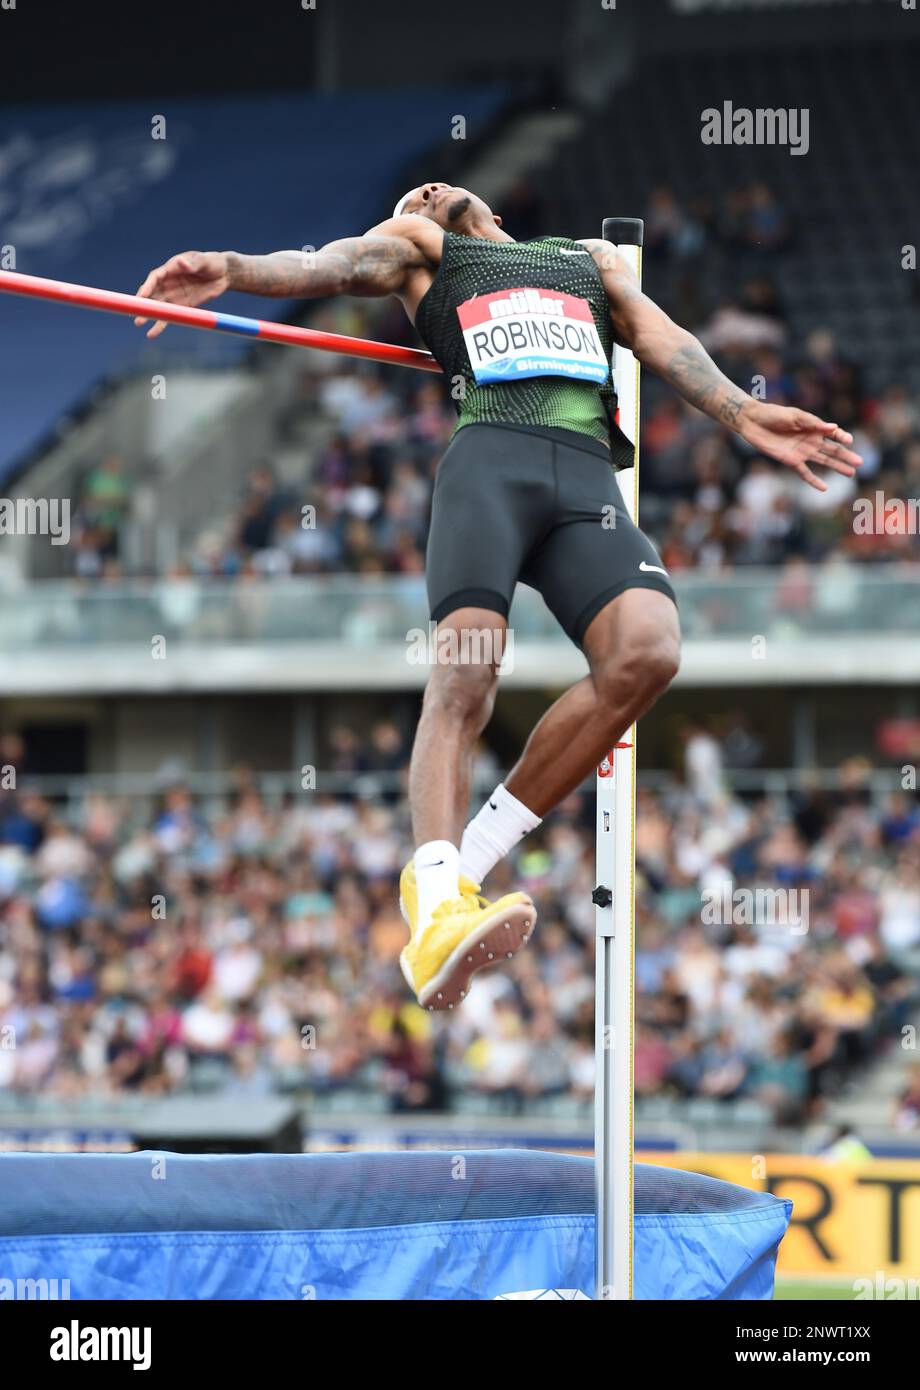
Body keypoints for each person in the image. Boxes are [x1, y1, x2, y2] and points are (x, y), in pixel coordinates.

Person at [134, 182, 862, 1011]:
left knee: (648, 652)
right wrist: (230, 266)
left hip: (587, 480)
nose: (433, 190)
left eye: (442, 187)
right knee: (467, 675)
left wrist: (743, 414)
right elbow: (327, 266)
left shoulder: (585, 261)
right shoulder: (430, 251)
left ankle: (458, 874)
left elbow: (660, 335)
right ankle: (441, 892)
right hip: (491, 470)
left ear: (500, 213)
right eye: (418, 193)